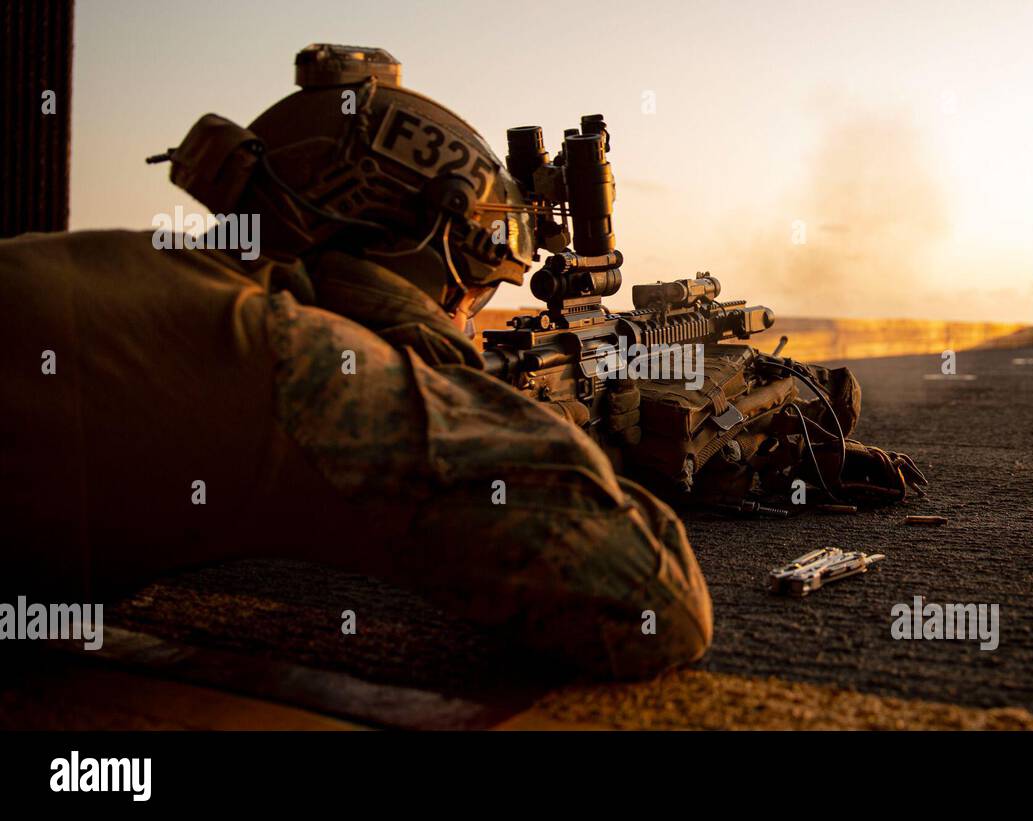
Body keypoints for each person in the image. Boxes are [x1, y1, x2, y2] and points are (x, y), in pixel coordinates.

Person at [0, 44, 710, 679]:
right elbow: (656, 603)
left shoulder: (153, 280)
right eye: (472, 297)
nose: (468, 329)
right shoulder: (293, 356)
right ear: (421, 258)